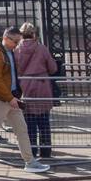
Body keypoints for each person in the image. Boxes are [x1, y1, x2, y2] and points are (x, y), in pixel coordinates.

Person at [0, 28, 50, 175]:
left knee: (21, 129)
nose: (17, 45)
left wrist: (13, 97)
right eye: (15, 41)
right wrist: (10, 98)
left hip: (10, 97)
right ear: (6, 38)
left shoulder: (7, 51)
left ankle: (30, 162)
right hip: (2, 98)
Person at [14, 23, 59, 159]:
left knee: (29, 123)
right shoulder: (42, 48)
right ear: (34, 33)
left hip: (25, 86)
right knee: (44, 121)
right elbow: (53, 68)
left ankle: (31, 151)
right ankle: (45, 152)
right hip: (42, 86)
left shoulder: (17, 50)